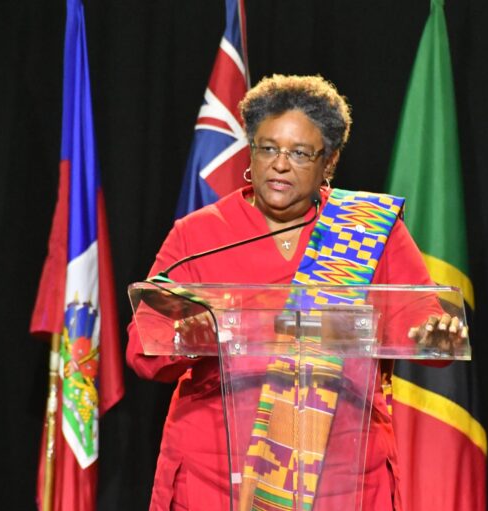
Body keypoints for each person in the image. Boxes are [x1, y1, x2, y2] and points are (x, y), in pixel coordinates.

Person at [127, 74, 467, 511]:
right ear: (251, 151)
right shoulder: (199, 235)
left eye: (300, 153)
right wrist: (190, 337)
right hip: (217, 476)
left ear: (330, 161)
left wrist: (437, 336)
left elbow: (421, 324)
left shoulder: (366, 231)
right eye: (268, 148)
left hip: (343, 476)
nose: (280, 164)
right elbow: (143, 349)